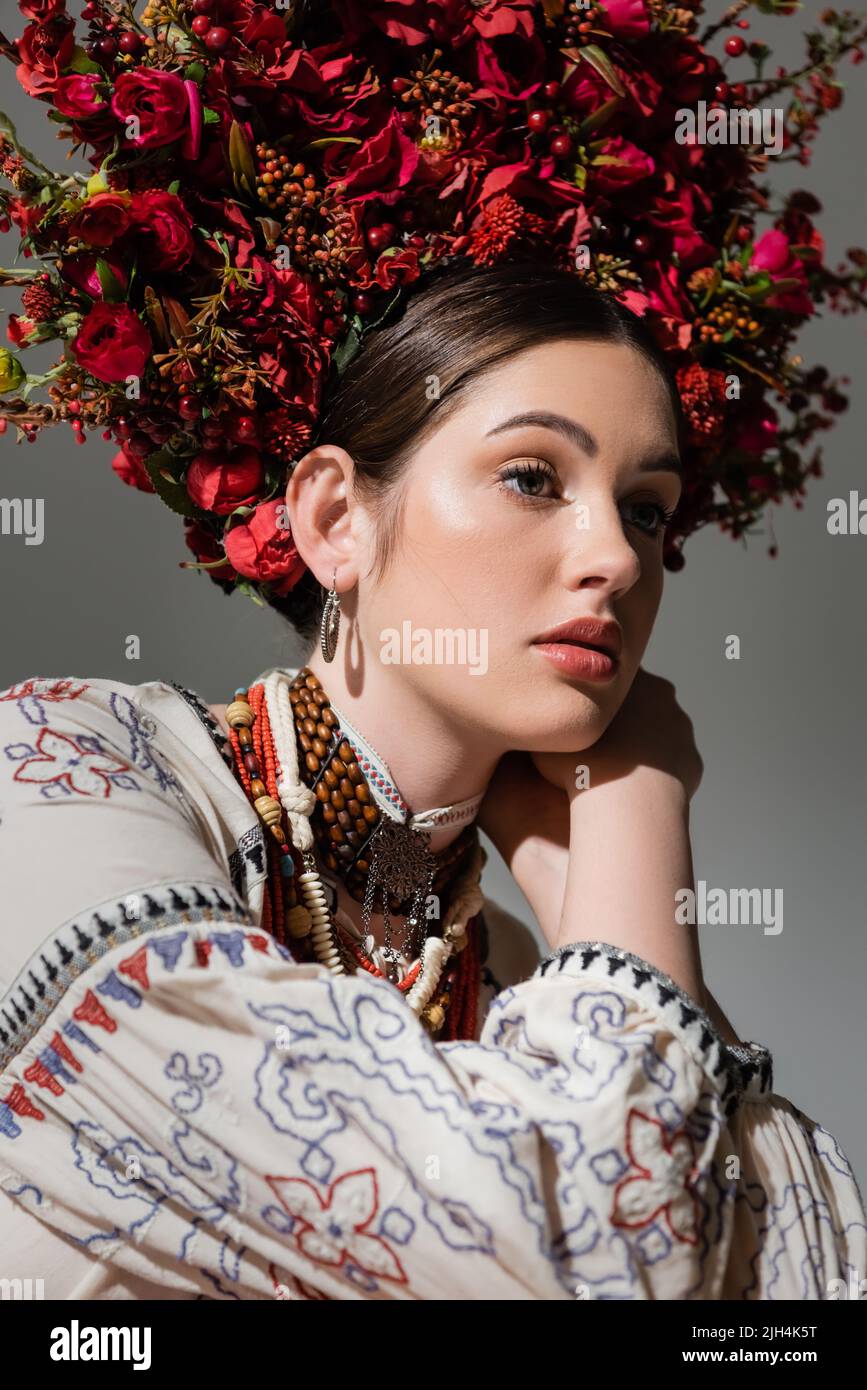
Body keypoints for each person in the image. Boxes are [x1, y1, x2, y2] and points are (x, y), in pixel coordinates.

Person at [1, 266, 864, 1300]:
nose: (619, 561)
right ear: (334, 519)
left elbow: (810, 1304)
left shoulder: (503, 968)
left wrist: (579, 877)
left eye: (646, 509)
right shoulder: (61, 775)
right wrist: (638, 798)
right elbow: (607, 1258)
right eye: (534, 477)